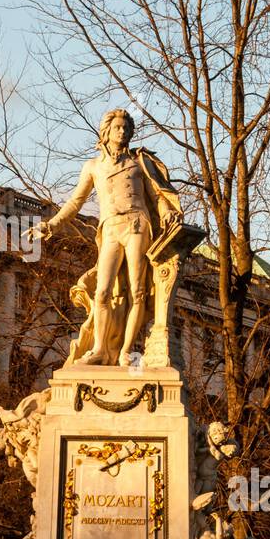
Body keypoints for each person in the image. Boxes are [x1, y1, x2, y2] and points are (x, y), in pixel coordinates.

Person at [28, 108, 182, 365]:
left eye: (126, 128)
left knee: (138, 291)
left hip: (137, 225)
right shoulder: (93, 167)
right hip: (110, 228)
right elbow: (75, 202)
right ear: (106, 131)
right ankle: (99, 349)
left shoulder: (138, 164)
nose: (123, 132)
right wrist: (50, 225)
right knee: (102, 292)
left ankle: (126, 351)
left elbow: (156, 196)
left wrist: (167, 211)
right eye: (118, 128)